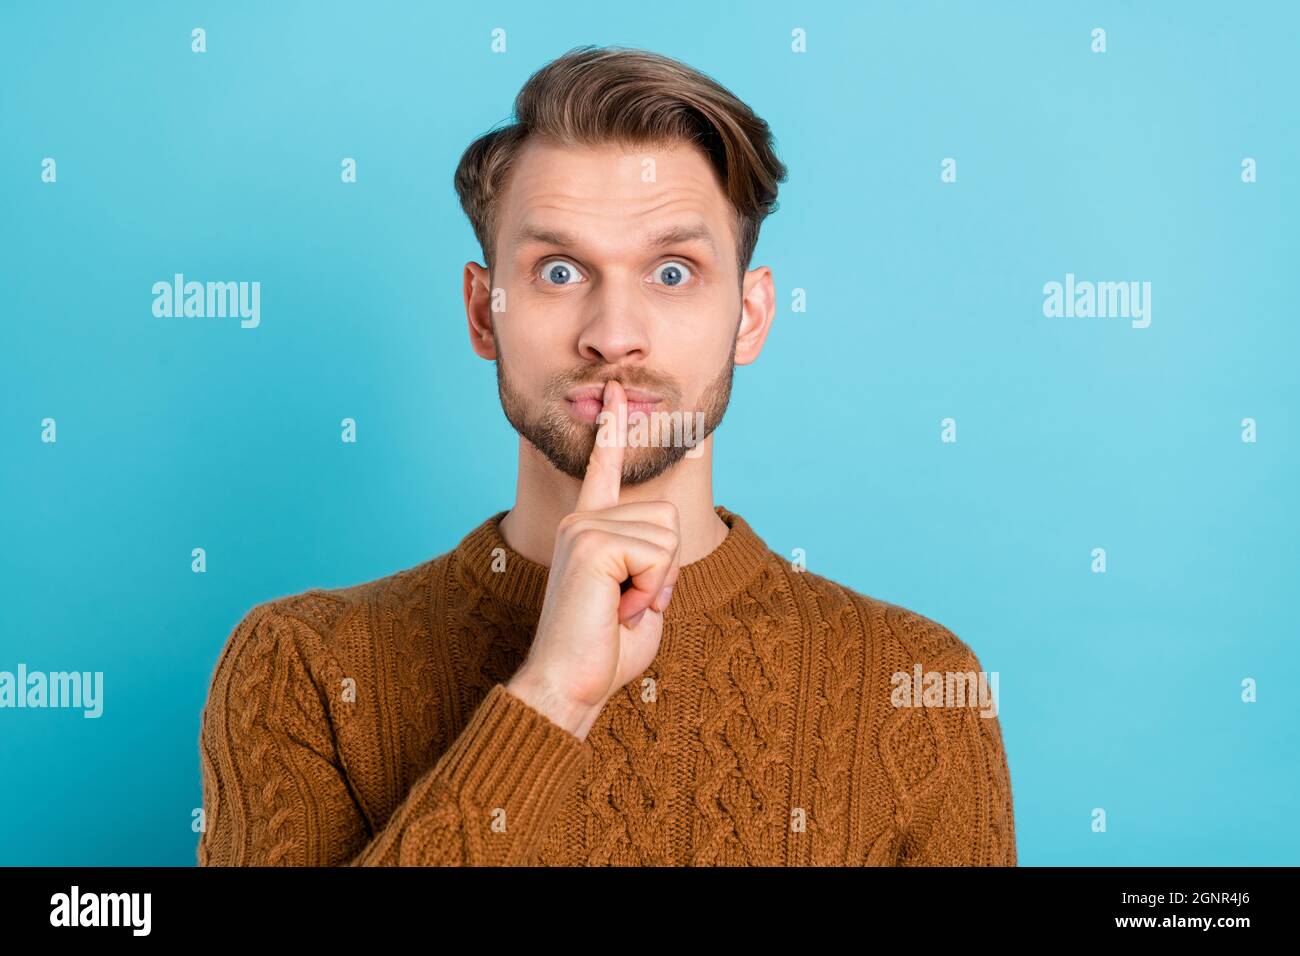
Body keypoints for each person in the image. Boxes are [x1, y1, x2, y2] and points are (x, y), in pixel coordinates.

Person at [197, 44, 1016, 866]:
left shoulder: (916, 686)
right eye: (559, 270)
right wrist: (552, 696)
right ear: (484, 314)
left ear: (751, 316)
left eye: (672, 271)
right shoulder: (300, 667)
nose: (613, 335)